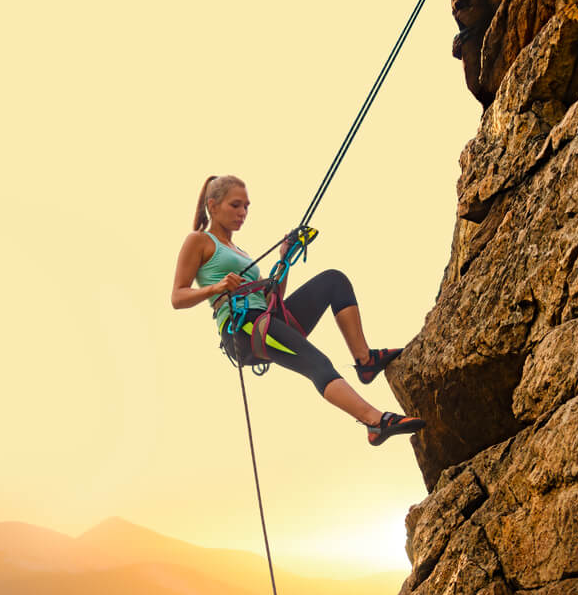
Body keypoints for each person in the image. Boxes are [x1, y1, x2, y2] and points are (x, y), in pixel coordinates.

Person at [171, 175, 426, 446]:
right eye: (236, 205)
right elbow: (177, 296)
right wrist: (215, 288)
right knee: (317, 362)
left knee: (333, 280)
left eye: (247, 206)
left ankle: (365, 361)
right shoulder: (199, 241)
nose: (243, 213)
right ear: (213, 205)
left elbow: (274, 298)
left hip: (266, 318)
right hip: (244, 329)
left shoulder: (241, 252)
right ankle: (375, 422)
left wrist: (285, 259)